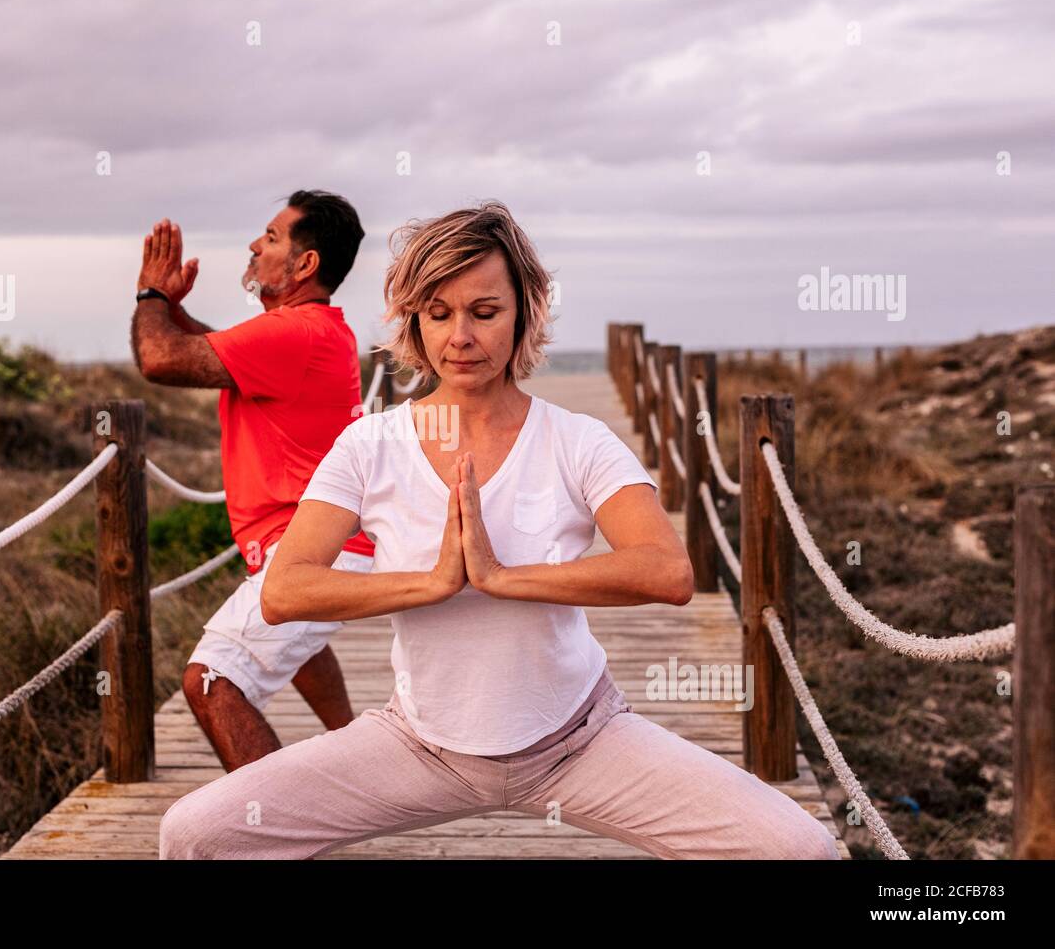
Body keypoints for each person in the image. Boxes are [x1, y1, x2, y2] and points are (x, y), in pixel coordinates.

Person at [158, 201, 841, 859]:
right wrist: (429, 583)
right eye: (439, 313)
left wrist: (502, 578)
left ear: (523, 316)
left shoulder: (578, 440)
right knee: (196, 835)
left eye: (485, 312)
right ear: (414, 322)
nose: (461, 336)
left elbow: (666, 571)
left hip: (582, 739)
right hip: (418, 745)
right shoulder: (370, 445)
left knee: (799, 847)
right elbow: (286, 590)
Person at [130, 190, 376, 772]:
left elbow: (161, 359)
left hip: (316, 549)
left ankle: (279, 829)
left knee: (211, 680)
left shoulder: (295, 333)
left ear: (305, 264)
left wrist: (151, 296)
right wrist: (176, 313)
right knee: (298, 644)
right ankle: (358, 749)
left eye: (270, 236)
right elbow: (210, 352)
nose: (254, 245)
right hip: (329, 544)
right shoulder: (306, 332)